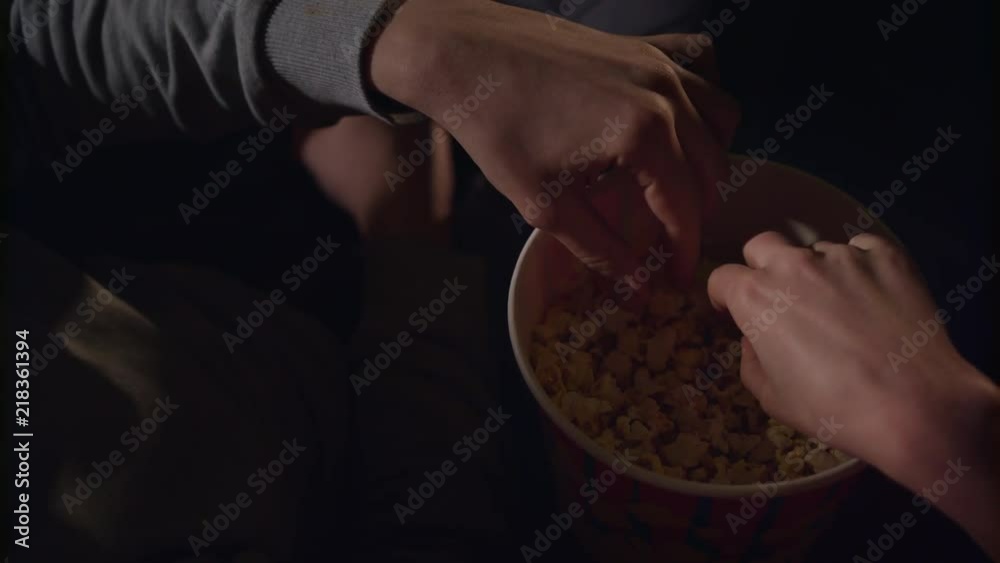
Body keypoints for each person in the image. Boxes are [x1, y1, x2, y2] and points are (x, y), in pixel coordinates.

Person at [6, 0, 997, 561]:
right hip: (421, 421)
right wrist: (947, 430)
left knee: (646, 30)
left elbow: (33, 55)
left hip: (285, 245)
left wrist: (396, 41)